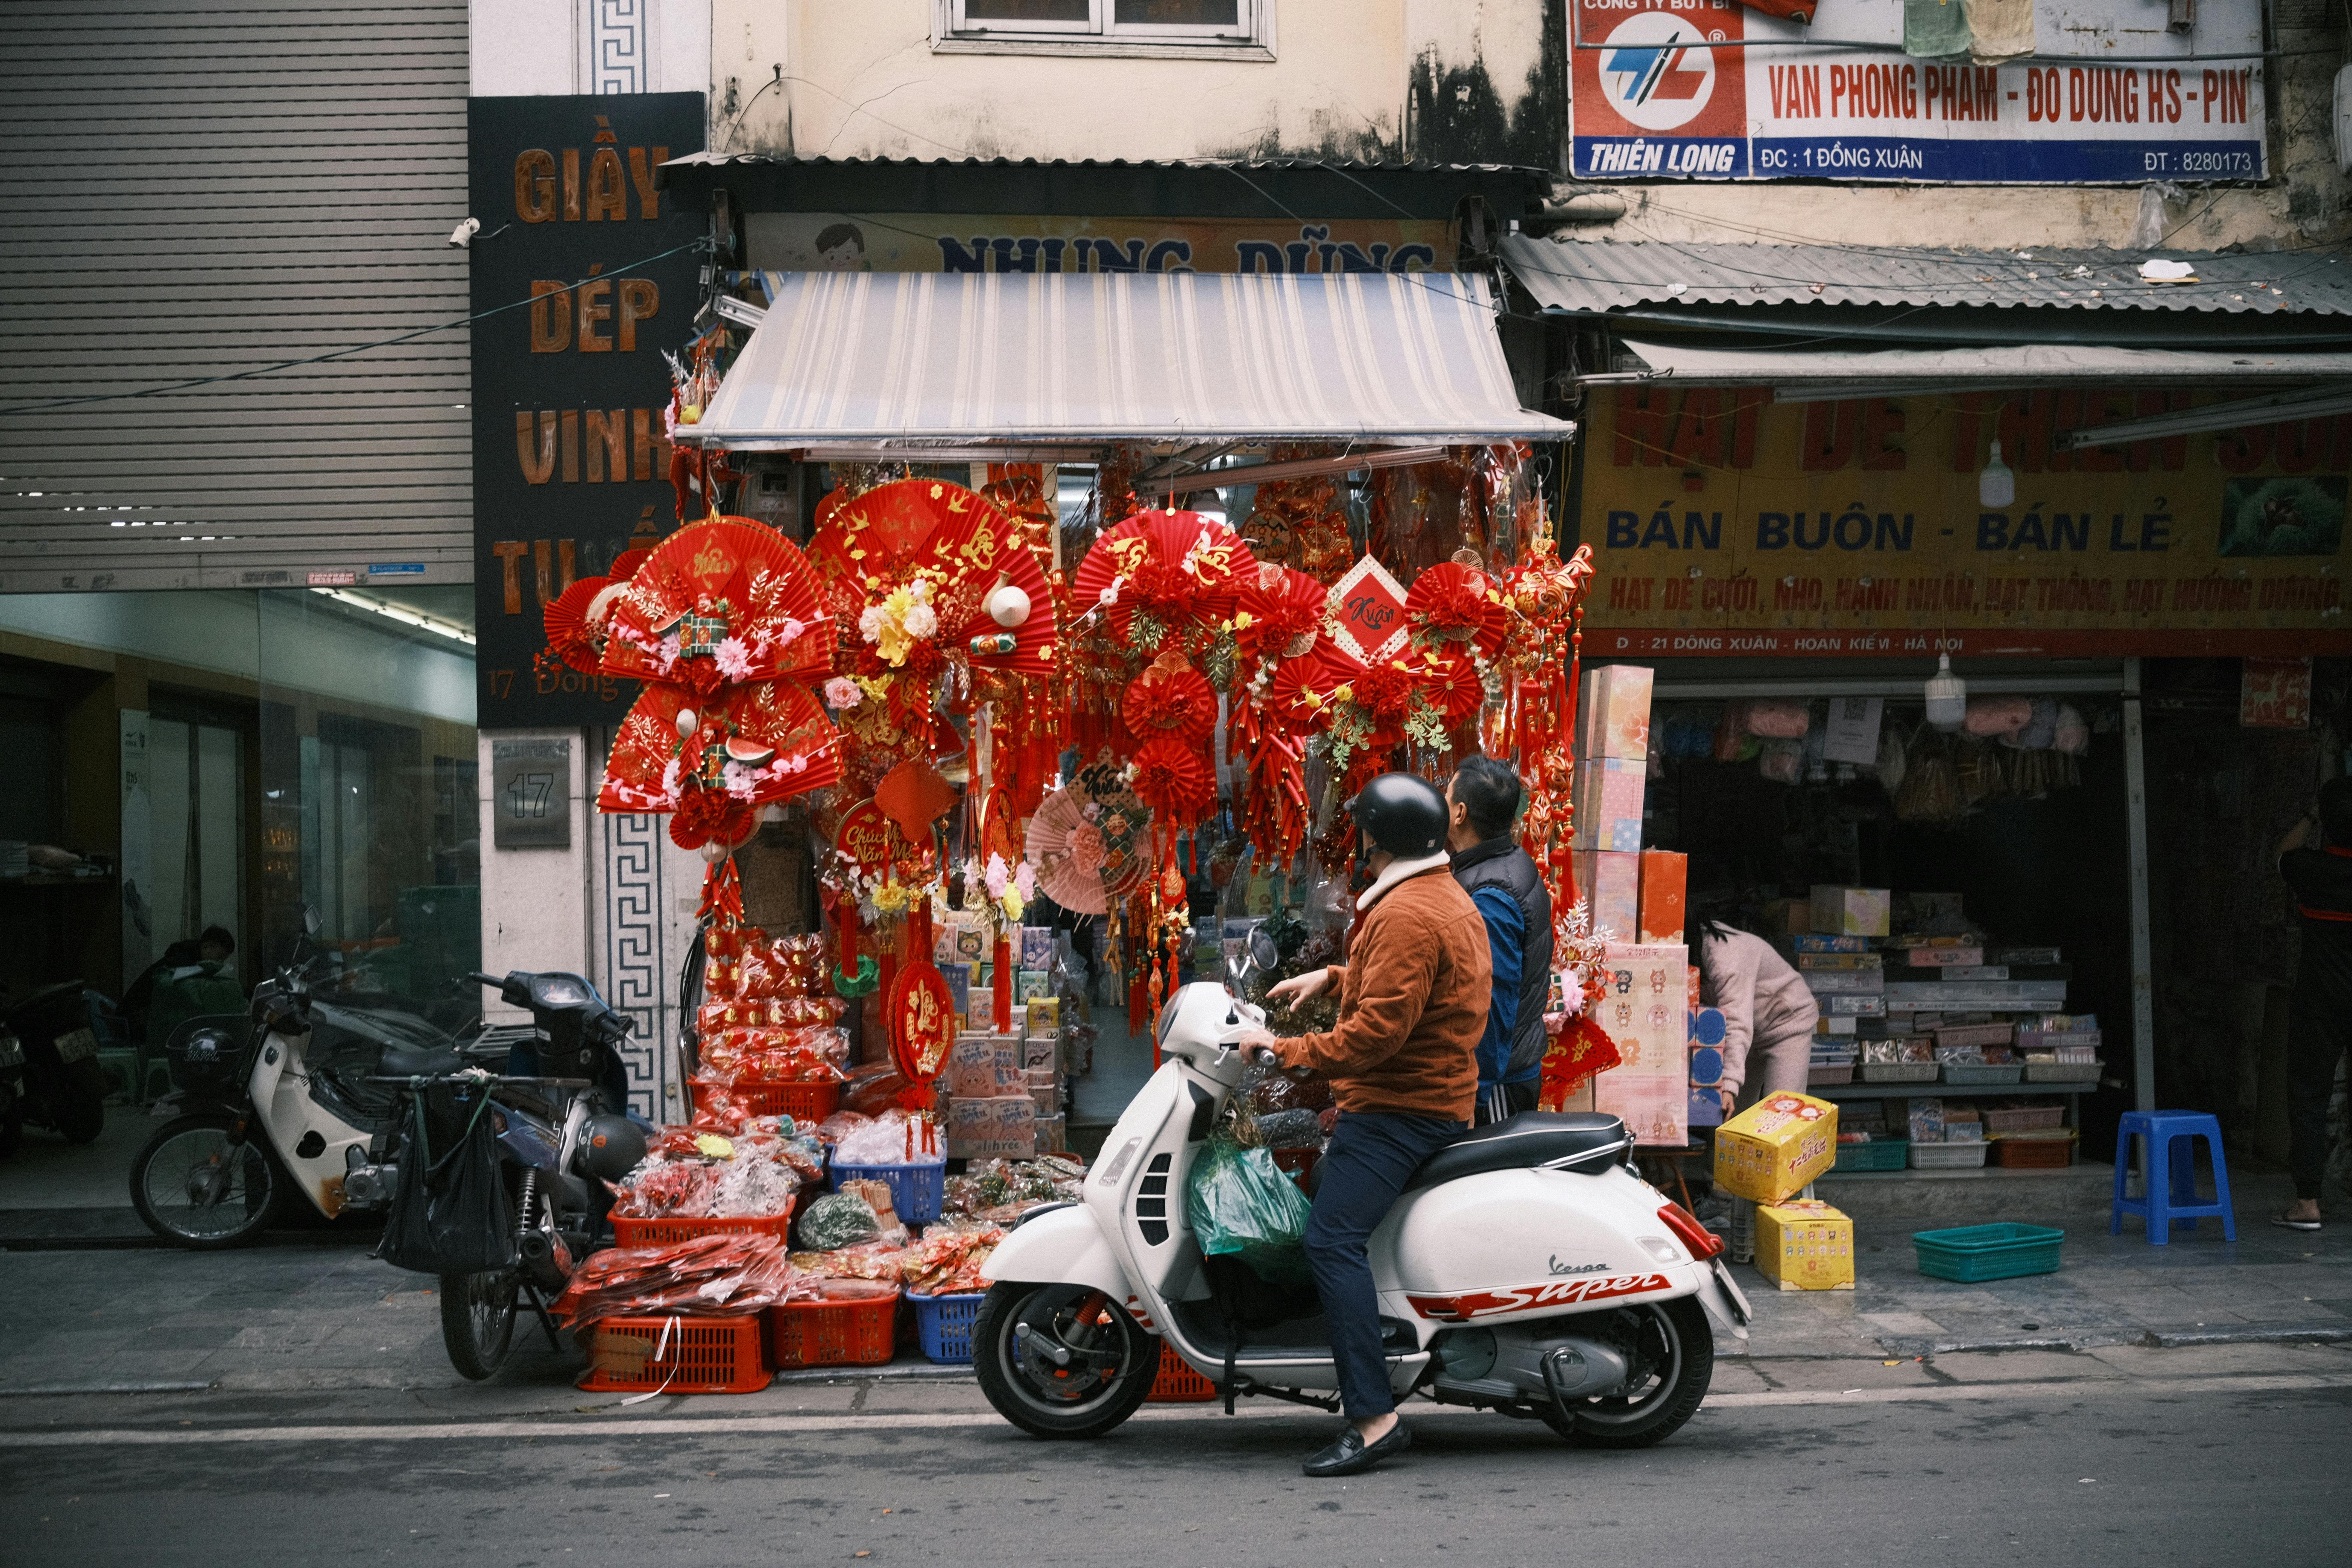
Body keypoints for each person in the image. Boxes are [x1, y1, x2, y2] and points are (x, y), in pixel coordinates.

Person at [1237, 773, 1489, 1478]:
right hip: (1423, 1095)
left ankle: (1374, 1419)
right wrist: (1337, 979)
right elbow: (1419, 993)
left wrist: (1281, 1049)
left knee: (1331, 1241)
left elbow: (1375, 1038)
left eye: (1364, 833)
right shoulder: (1435, 896)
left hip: (1397, 1110)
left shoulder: (1409, 912)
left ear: (1379, 840)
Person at [1444, 755, 1553, 1126]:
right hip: (1506, 1068)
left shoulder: (1491, 894)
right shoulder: (1505, 861)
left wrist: (1478, 1092)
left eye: (1446, 795)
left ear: (1460, 813)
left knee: (1491, 1179)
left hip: (1499, 1080)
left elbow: (1493, 1001)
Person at [2276, 778, 2352, 1230]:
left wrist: (2309, 817)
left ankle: (2307, 1203)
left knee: (2309, 1096)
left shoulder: (2310, 870)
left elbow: (2280, 855)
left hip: (2319, 1000)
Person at [1691, 907, 1817, 1113]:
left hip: (1787, 1024)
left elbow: (1736, 1024)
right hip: (1749, 1031)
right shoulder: (1692, 953)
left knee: (1781, 1116)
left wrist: (1729, 1086)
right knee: (1732, 1119)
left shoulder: (1726, 957)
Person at [121, 924, 236, 1041]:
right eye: (221, 957)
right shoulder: (183, 963)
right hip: (137, 1018)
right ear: (206, 947)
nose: (220, 963)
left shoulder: (186, 959)